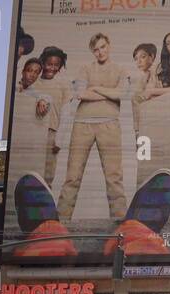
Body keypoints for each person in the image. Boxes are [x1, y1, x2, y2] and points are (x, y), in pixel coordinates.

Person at [57, 33, 129, 222]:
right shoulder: (85, 68)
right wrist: (108, 93)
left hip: (110, 124)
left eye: (103, 47)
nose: (100, 52)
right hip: (82, 124)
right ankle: (59, 224)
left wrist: (95, 88)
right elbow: (80, 93)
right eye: (96, 49)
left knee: (114, 177)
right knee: (72, 177)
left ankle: (120, 226)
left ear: (109, 45)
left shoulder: (120, 69)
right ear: (92, 52)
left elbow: (121, 94)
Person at [33, 46, 72, 188]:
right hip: (34, 131)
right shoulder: (34, 82)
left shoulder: (63, 86)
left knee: (48, 172)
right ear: (42, 63)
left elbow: (66, 113)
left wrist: (59, 139)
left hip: (52, 132)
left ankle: (45, 197)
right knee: (33, 170)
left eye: (57, 65)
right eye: (50, 64)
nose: (52, 68)